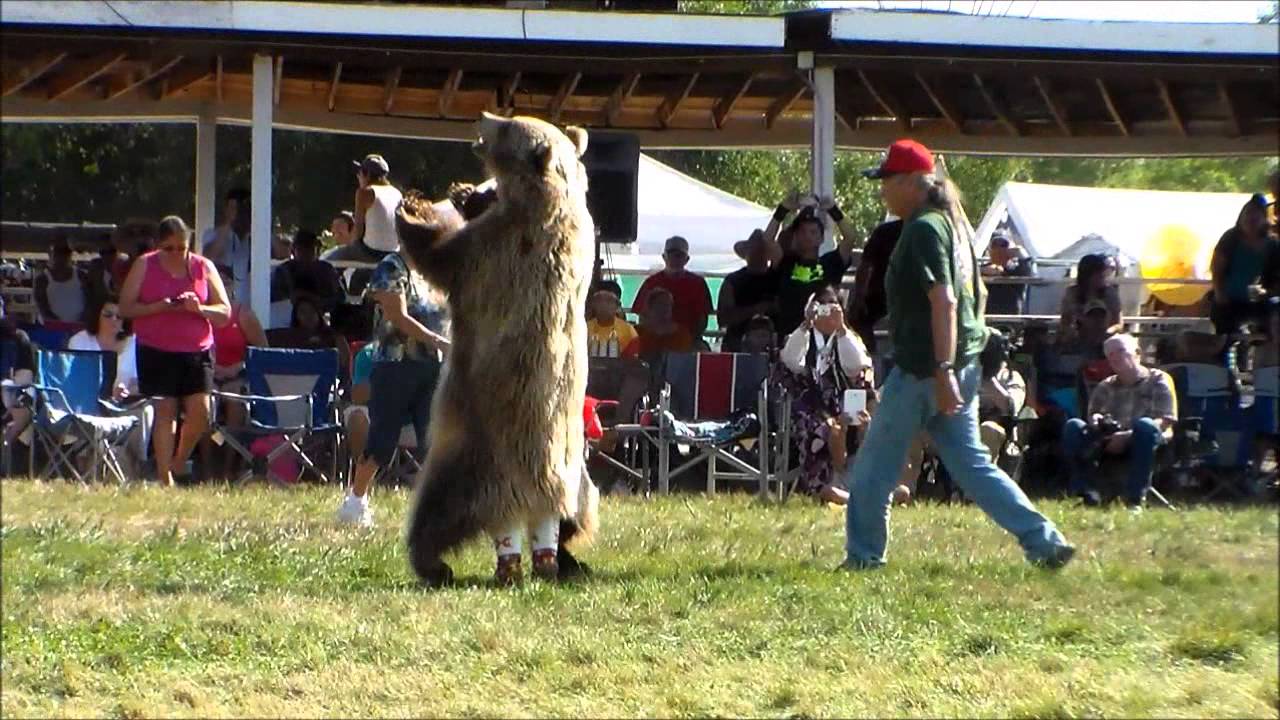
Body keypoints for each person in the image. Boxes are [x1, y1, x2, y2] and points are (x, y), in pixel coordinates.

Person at [843, 138, 1074, 570]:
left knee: (874, 465)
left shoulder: (923, 229)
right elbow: (975, 297)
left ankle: (864, 557)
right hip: (957, 365)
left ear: (912, 181)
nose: (882, 191)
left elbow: (945, 301)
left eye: (887, 181)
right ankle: (1045, 541)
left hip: (924, 369)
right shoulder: (953, 227)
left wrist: (943, 368)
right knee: (972, 466)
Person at [337, 245, 449, 527]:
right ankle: (355, 502)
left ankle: (436, 510)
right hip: (394, 366)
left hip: (430, 367)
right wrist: (438, 341)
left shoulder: (429, 270)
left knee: (433, 439)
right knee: (382, 441)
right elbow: (397, 316)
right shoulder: (390, 267)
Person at [120, 215, 230, 486]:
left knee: (200, 411)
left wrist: (199, 309)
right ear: (158, 245)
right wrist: (158, 306)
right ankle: (164, 475)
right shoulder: (145, 265)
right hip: (156, 348)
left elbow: (224, 313)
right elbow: (125, 308)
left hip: (197, 349)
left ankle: (179, 460)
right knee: (165, 411)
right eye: (169, 248)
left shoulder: (203, 267)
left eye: (182, 247)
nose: (176, 254)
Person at [778, 285, 872, 505]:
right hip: (809, 408)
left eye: (832, 307)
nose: (826, 313)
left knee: (864, 423)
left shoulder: (849, 338)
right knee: (828, 428)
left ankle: (854, 489)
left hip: (848, 404)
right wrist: (805, 324)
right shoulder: (803, 336)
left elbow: (856, 366)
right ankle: (826, 487)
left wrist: (841, 329)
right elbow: (791, 361)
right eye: (821, 307)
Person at [1061, 333, 1177, 511]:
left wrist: (1127, 436)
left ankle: (1135, 499)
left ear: (1138, 353)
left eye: (1121, 351)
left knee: (1145, 425)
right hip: (1108, 439)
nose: (1116, 357)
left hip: (1147, 438)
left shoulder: (1158, 380)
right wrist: (1096, 421)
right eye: (1110, 355)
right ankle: (1086, 492)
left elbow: (1165, 420)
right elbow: (1093, 415)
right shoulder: (1105, 386)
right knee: (1073, 426)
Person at [765, 193, 861, 338]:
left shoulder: (831, 262)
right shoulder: (785, 262)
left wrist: (833, 209)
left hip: (825, 337)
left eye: (813, 232)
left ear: (821, 238)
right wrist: (782, 209)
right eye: (802, 232)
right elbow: (767, 240)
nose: (807, 236)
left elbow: (850, 237)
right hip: (790, 336)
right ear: (795, 236)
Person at [206, 271, 268, 479]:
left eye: (227, 282)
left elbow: (263, 352)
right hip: (209, 373)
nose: (222, 286)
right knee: (206, 404)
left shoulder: (243, 315)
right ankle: (208, 466)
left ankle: (229, 466)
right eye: (217, 282)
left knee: (234, 401)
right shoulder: (203, 314)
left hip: (237, 375)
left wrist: (237, 367)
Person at [1209, 194, 1278, 335]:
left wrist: (1267, 293)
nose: (1250, 221)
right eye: (1247, 216)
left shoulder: (1273, 244)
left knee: (1272, 317)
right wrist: (1220, 293)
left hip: (1259, 301)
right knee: (1225, 330)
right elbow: (1217, 268)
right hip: (1228, 299)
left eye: (1255, 217)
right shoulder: (1230, 238)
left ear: (1264, 220)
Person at [632, 236, 714, 343]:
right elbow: (642, 316)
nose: (675, 258)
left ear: (687, 259)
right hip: (654, 341)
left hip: (689, 341)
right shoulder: (651, 283)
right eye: (671, 254)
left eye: (679, 255)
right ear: (664, 257)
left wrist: (686, 339)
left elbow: (702, 320)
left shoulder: (698, 284)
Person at [324, 154, 403, 263]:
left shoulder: (365, 192)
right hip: (393, 253)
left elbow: (358, 231)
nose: (358, 177)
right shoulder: (397, 193)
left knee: (328, 261)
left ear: (367, 175)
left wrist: (349, 245)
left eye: (360, 173)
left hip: (371, 252)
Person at [846, 218, 904, 354]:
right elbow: (865, 265)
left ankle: (870, 352)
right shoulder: (885, 231)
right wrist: (859, 298)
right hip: (880, 294)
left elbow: (865, 266)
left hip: (906, 296)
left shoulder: (923, 231)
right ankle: (869, 353)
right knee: (856, 318)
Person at [717, 229, 780, 352]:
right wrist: (756, 309)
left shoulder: (778, 279)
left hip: (772, 344)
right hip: (737, 343)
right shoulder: (732, 281)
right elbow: (723, 319)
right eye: (754, 250)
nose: (757, 254)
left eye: (761, 250)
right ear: (746, 253)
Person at [67, 296, 139, 401]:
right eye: (108, 315)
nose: (113, 319)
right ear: (97, 316)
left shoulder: (135, 343)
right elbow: (72, 379)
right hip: (85, 401)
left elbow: (142, 383)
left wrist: (126, 391)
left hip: (125, 405)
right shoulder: (79, 341)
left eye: (119, 316)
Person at [976, 330, 1026, 464]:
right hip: (963, 426)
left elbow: (1011, 408)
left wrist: (988, 379)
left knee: (988, 430)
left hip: (998, 428)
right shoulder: (967, 375)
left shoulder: (1011, 378)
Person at [277, 295, 352, 377]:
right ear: (296, 316)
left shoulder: (335, 336)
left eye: (312, 311)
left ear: (318, 314)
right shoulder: (289, 338)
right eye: (303, 312)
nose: (308, 316)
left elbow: (345, 363)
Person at [201, 188, 252, 305]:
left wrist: (258, 221)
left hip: (248, 308)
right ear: (226, 210)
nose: (238, 213)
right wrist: (230, 222)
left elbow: (282, 253)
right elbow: (209, 256)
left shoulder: (254, 239)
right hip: (223, 304)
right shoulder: (212, 234)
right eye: (233, 208)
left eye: (242, 209)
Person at [1059, 253, 1122, 344]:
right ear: (1086, 275)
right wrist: (1070, 334)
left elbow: (1118, 324)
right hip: (1079, 340)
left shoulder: (1110, 293)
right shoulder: (1072, 293)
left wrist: (1106, 334)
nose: (1102, 277)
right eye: (1097, 274)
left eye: (1102, 273)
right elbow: (1065, 321)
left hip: (1106, 341)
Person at [278, 229, 345, 314]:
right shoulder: (284, 271)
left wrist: (317, 301)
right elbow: (274, 298)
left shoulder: (326, 270)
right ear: (293, 251)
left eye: (310, 249)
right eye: (301, 249)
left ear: (317, 251)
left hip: (321, 319)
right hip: (289, 319)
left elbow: (340, 298)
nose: (306, 254)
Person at [621, 288, 695, 362]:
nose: (665, 308)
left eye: (668, 304)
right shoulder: (636, 332)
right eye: (660, 304)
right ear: (649, 307)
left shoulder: (682, 334)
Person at [35, 236, 88, 325]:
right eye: (58, 252)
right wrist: (59, 324)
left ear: (70, 255)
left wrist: (80, 323)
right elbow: (43, 307)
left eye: (66, 252)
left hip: (78, 326)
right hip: (52, 327)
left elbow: (89, 303)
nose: (62, 256)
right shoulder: (42, 279)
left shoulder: (82, 276)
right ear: (51, 254)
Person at [982, 229, 1036, 316]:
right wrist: (983, 271)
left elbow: (1030, 270)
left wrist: (1018, 251)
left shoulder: (1016, 270)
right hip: (987, 318)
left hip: (1011, 320)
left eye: (1004, 245)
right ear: (990, 249)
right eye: (995, 245)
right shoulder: (982, 270)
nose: (999, 249)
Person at [586, 287, 638, 358]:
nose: (603, 305)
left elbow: (633, 360)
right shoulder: (585, 328)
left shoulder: (628, 330)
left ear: (617, 307)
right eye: (599, 300)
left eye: (608, 301)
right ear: (593, 305)